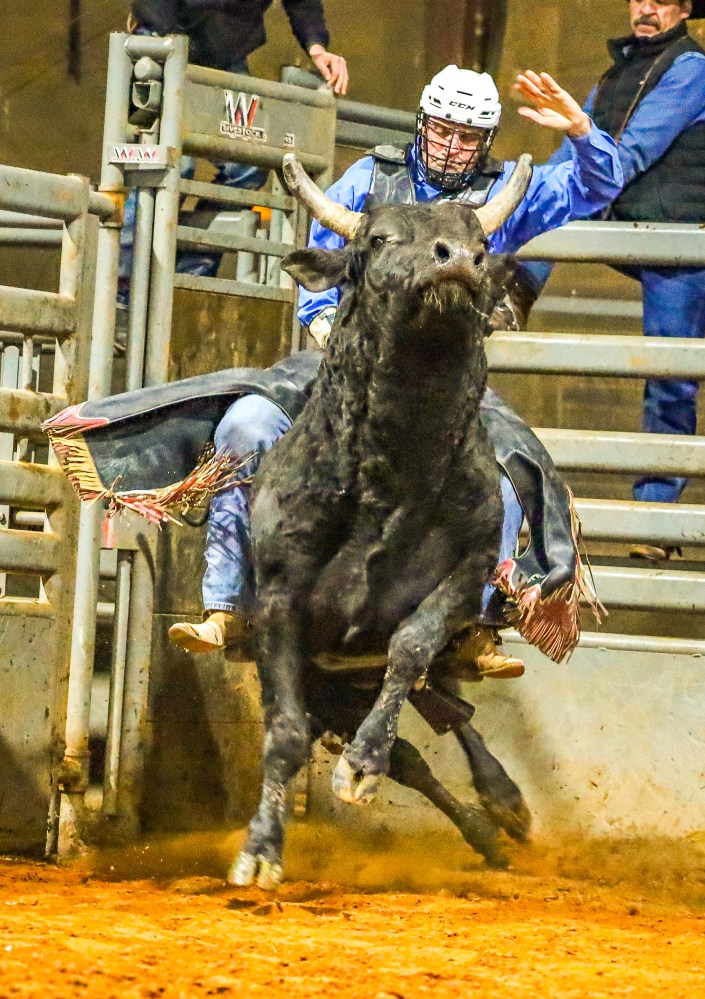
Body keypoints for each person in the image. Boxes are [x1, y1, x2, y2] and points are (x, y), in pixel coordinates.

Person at [167, 64, 623, 676]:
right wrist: (335, 335)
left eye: (467, 137)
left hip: (449, 380)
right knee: (246, 425)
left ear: (484, 141)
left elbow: (600, 187)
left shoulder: (504, 193)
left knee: (512, 473)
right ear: (422, 125)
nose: (451, 147)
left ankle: (478, 625)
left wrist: (579, 128)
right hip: (352, 366)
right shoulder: (371, 178)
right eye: (441, 131)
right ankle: (224, 607)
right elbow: (320, 287)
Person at [520, 0, 705, 562]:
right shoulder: (622, 68)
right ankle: (510, 293)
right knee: (543, 206)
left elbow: (631, 152)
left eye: (663, 1)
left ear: (684, 9)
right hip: (634, 218)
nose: (647, 9)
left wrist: (578, 173)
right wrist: (528, 186)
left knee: (671, 376)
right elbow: (582, 139)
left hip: (677, 234)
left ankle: (656, 518)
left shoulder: (692, 68)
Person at [118, 0, 348, 305]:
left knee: (247, 169)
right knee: (168, 160)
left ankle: (185, 278)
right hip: (162, 36)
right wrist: (167, 39)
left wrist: (316, 45)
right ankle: (123, 289)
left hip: (221, 53)